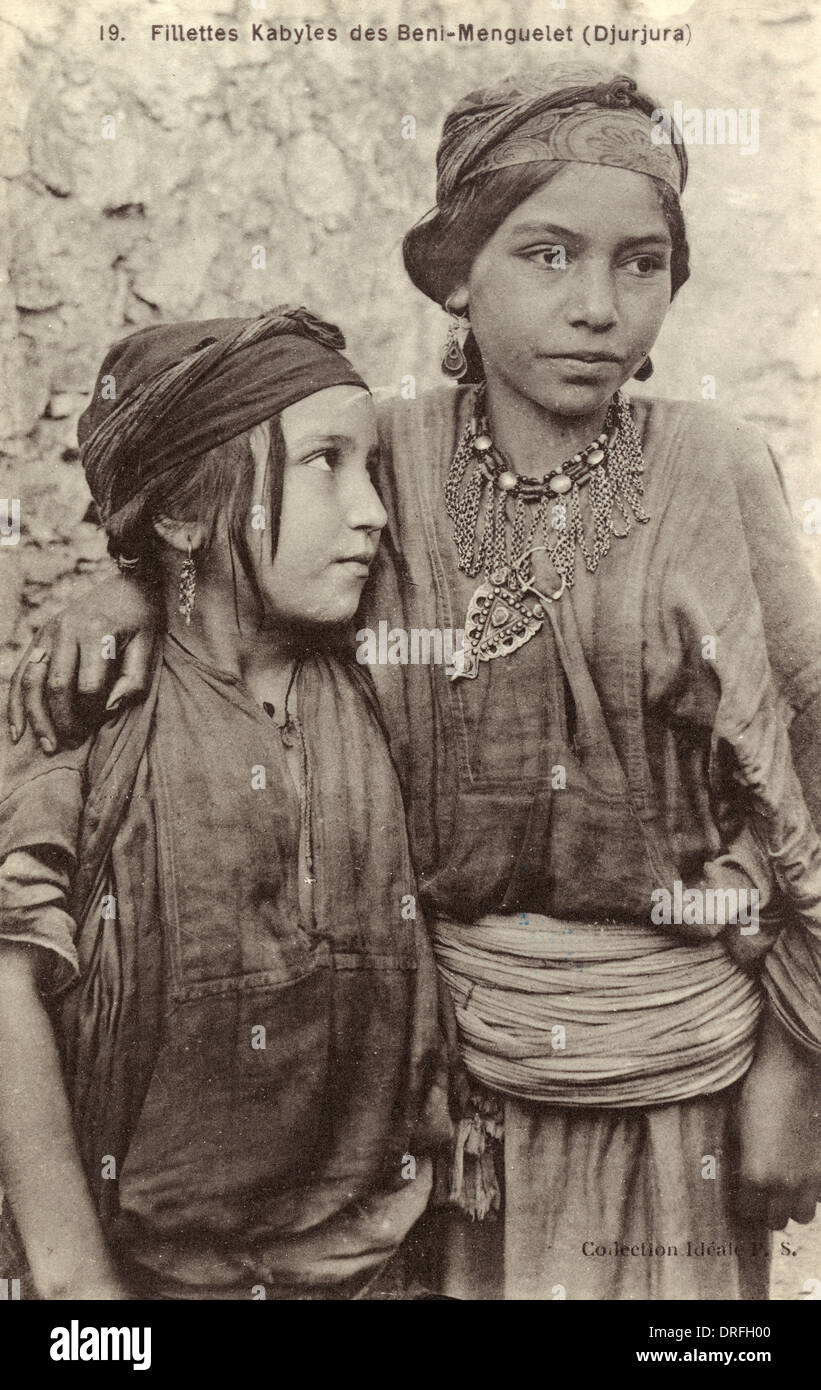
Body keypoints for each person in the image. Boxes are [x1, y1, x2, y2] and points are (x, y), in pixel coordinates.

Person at [8, 65, 821, 1301]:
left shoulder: (709, 470)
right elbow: (229, 500)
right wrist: (127, 584)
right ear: (454, 272)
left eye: (639, 263)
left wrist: (793, 1064)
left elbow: (808, 758)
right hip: (444, 1097)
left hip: (673, 1078)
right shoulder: (385, 450)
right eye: (546, 255)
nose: (597, 306)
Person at [0, 306, 449, 1301]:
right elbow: (10, 985)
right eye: (325, 463)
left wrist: (138, 583)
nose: (373, 509)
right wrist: (77, 1282)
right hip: (152, 1280)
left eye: (370, 467)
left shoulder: (386, 674)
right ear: (182, 513)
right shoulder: (90, 713)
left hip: (379, 1268)